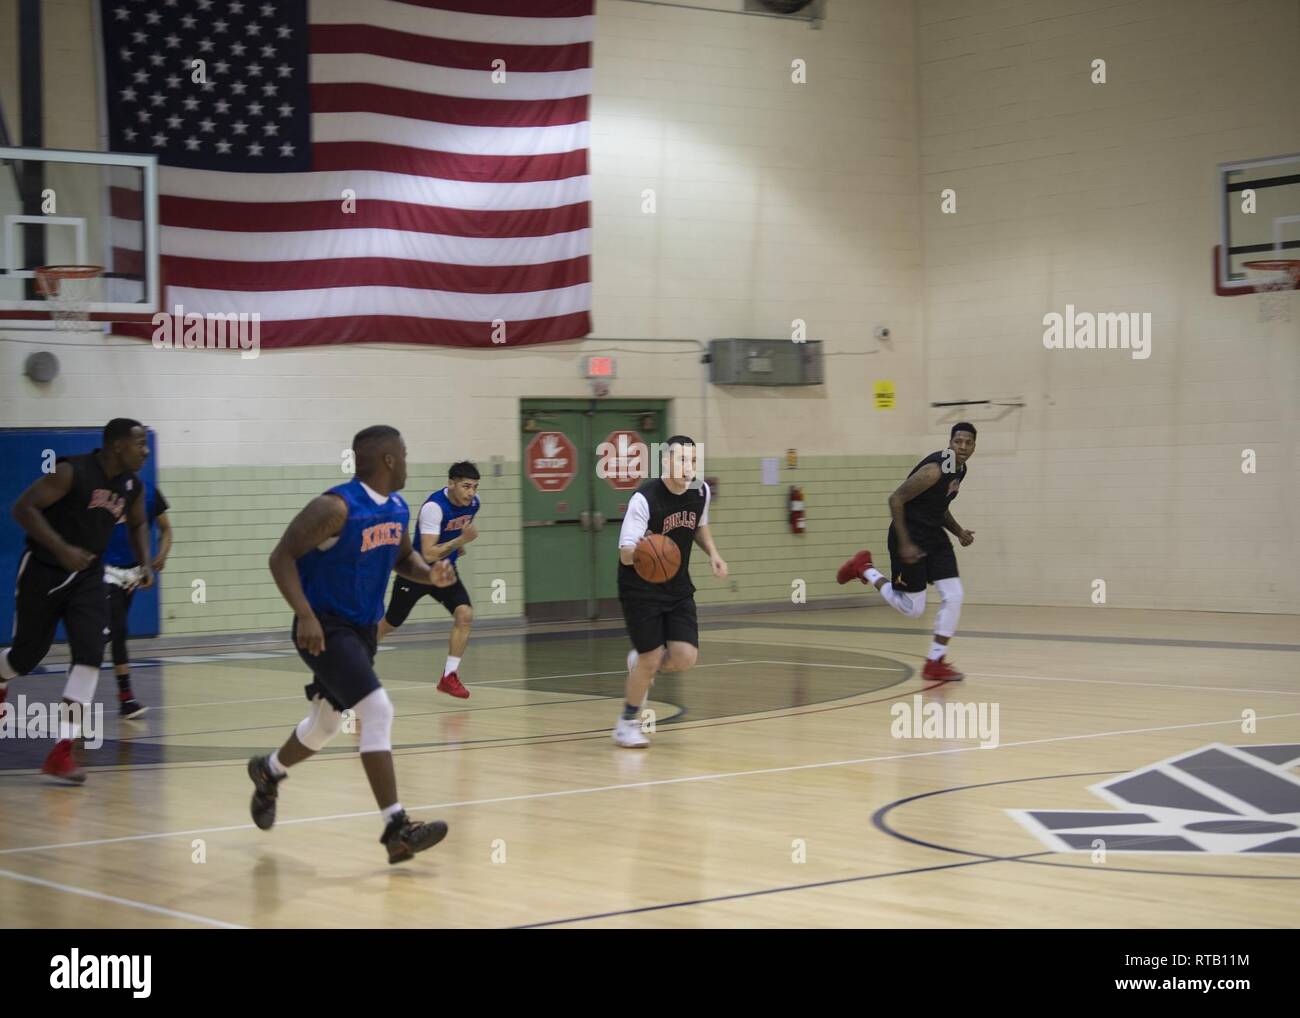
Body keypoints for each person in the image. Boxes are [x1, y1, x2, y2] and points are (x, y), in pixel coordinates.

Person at [246, 425, 455, 864]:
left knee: (323, 725)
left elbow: (402, 560)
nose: (409, 461)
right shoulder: (335, 507)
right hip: (323, 627)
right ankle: (396, 828)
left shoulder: (397, 507)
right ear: (389, 460)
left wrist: (429, 574)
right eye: (405, 453)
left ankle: (268, 771)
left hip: (360, 632)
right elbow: (280, 556)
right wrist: (304, 614)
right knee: (378, 710)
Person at [0, 419, 153, 782]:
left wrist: (145, 561)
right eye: (139, 444)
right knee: (26, 656)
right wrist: (62, 549)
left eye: (147, 444)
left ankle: (62, 750)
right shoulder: (71, 471)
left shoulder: (132, 485)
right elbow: (23, 508)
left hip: (87, 576)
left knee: (89, 653)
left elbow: (137, 524)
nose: (145, 451)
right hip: (44, 570)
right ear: (117, 445)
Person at [837, 422, 976, 681]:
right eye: (958, 442)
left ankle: (935, 662)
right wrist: (904, 543)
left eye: (969, 442)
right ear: (950, 442)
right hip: (908, 534)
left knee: (955, 595)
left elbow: (939, 506)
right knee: (913, 609)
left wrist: (958, 532)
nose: (963, 447)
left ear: (974, 446)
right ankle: (864, 569)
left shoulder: (960, 469)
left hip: (934, 535)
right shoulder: (934, 470)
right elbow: (896, 499)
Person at [613, 436, 727, 748]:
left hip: (677, 586)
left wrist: (714, 554)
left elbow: (699, 526)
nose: (687, 467)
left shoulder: (699, 492)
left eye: (692, 460)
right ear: (665, 462)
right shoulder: (644, 499)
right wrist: (644, 550)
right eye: (680, 460)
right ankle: (627, 723)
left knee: (685, 656)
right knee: (650, 660)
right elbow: (624, 552)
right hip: (640, 588)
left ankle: (640, 663)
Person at [377, 461, 480, 698]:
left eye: (474, 487)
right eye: (466, 486)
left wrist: (456, 547)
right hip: (416, 572)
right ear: (451, 484)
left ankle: (449, 676)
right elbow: (428, 553)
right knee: (389, 625)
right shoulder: (434, 507)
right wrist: (458, 542)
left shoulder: (473, 504)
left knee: (465, 615)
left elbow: (454, 533)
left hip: (444, 572)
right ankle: (359, 657)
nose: (471, 492)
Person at [103, 479, 172, 718]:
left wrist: (161, 555)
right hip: (105, 570)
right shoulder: (104, 490)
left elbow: (166, 529)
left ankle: (125, 699)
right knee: (112, 631)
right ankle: (121, 698)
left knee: (116, 634)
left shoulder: (149, 493)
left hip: (133, 574)